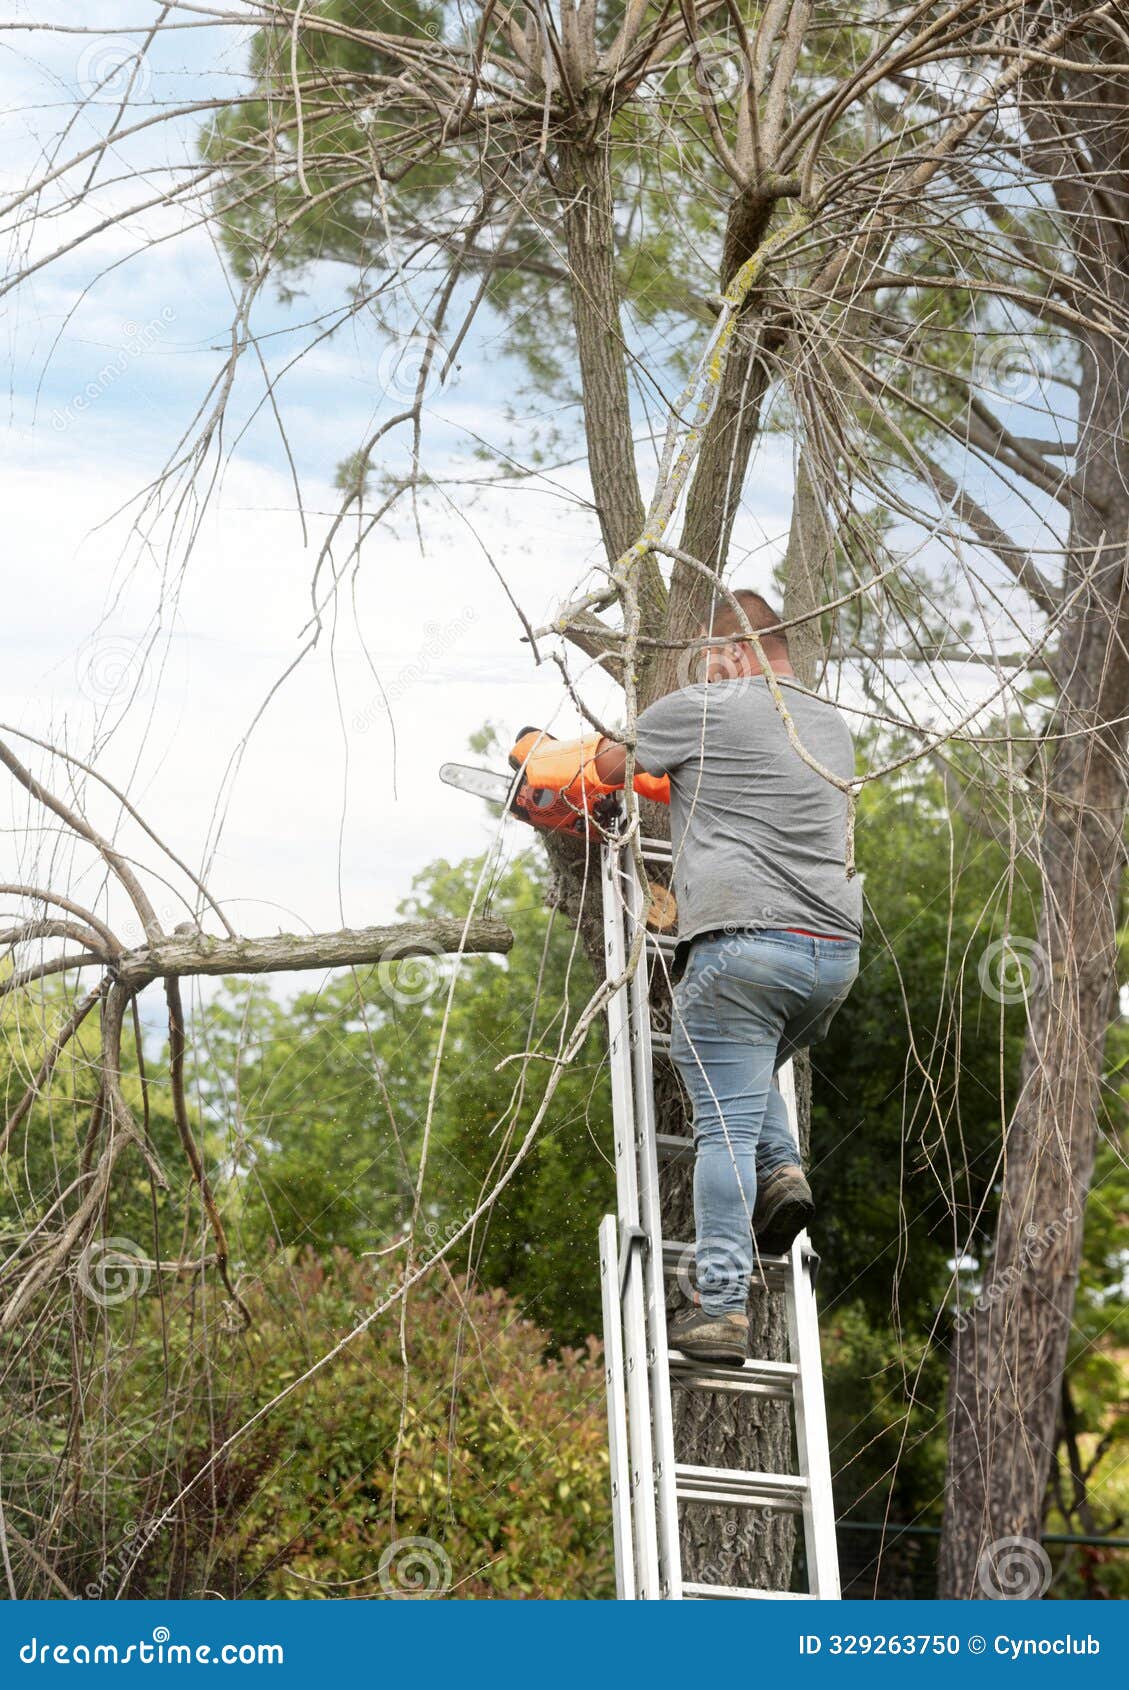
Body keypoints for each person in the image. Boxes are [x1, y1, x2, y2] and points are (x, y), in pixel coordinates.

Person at [591, 590, 861, 1364]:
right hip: (830, 957)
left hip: (742, 948)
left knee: (721, 1121)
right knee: (735, 1078)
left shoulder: (710, 704)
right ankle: (779, 1172)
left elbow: (609, 764)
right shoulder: (827, 724)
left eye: (710, 658)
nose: (706, 671)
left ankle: (719, 1308)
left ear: (736, 651)